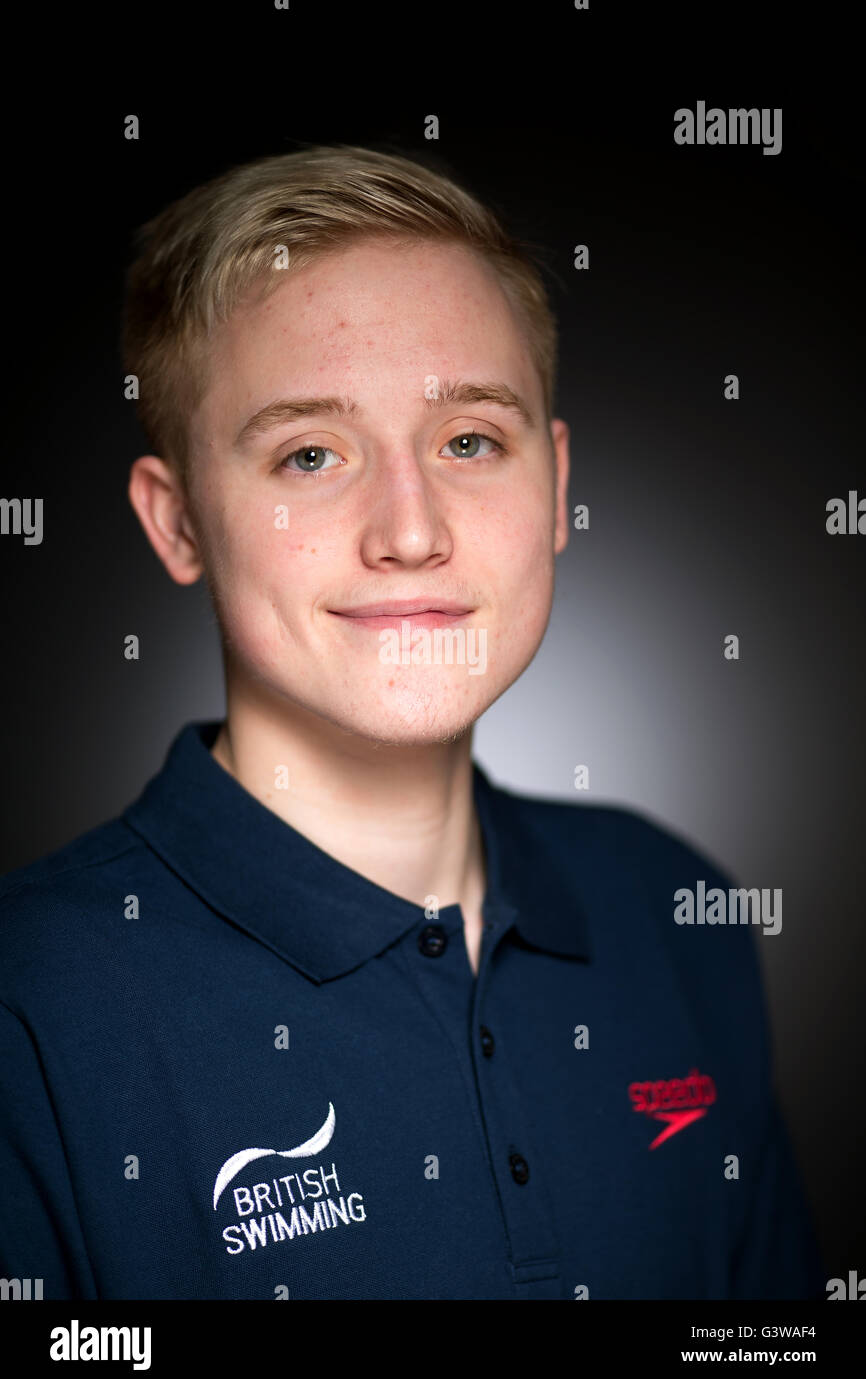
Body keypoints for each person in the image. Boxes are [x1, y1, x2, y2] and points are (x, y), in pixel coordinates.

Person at [0, 144, 825, 1300]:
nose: (408, 529)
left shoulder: (673, 909)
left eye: (469, 440)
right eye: (310, 453)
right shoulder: (30, 1000)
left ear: (553, 483)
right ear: (178, 521)